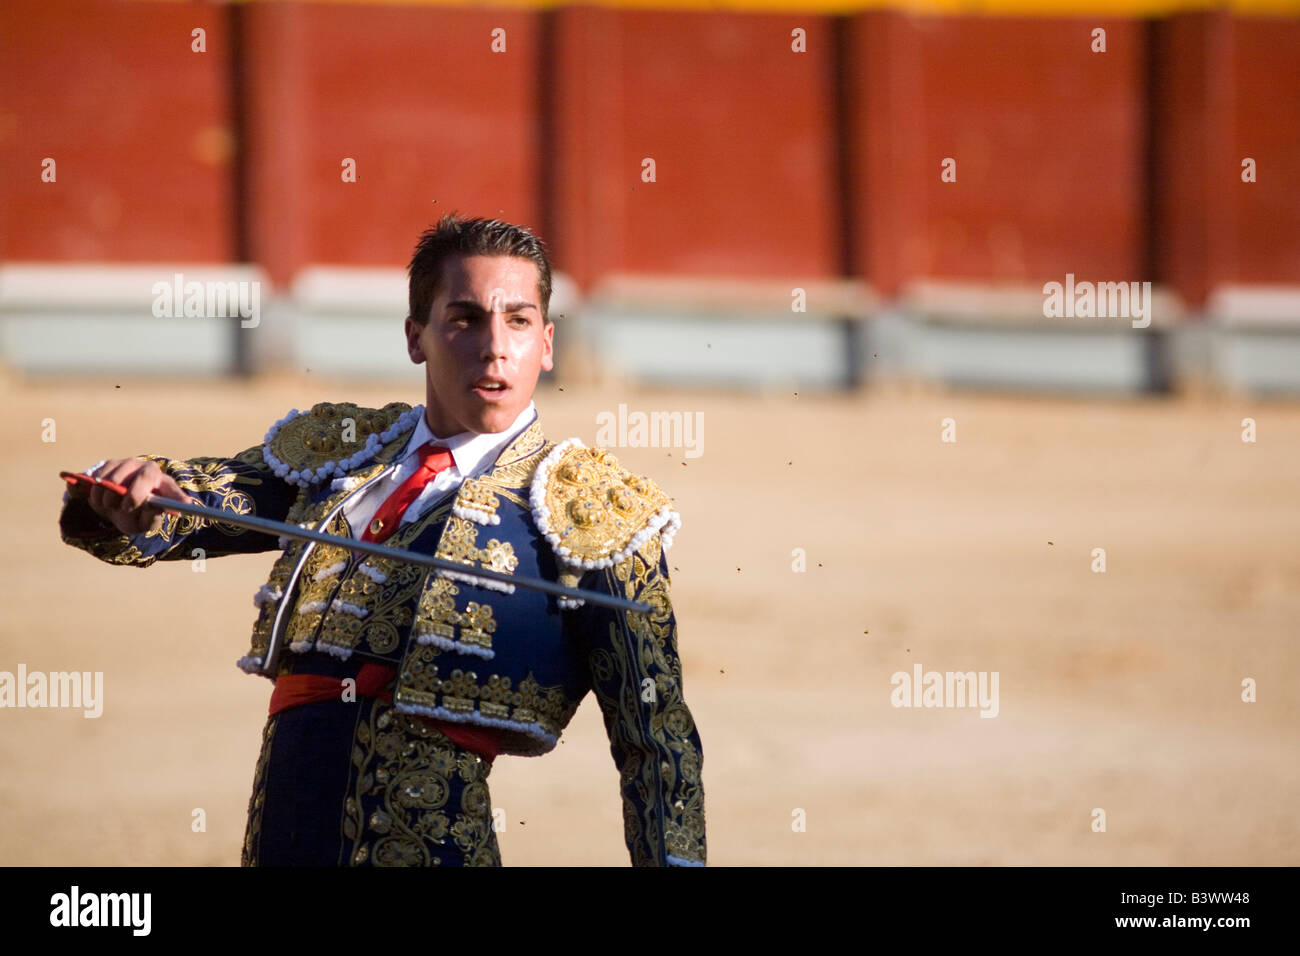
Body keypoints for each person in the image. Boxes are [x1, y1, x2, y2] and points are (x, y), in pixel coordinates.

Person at [58, 214, 707, 867]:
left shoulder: (593, 512)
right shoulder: (341, 452)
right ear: (414, 336)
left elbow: (656, 739)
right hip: (284, 830)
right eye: (464, 318)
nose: (493, 347)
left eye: (518, 321)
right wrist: (132, 496)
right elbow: (193, 504)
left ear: (547, 343)